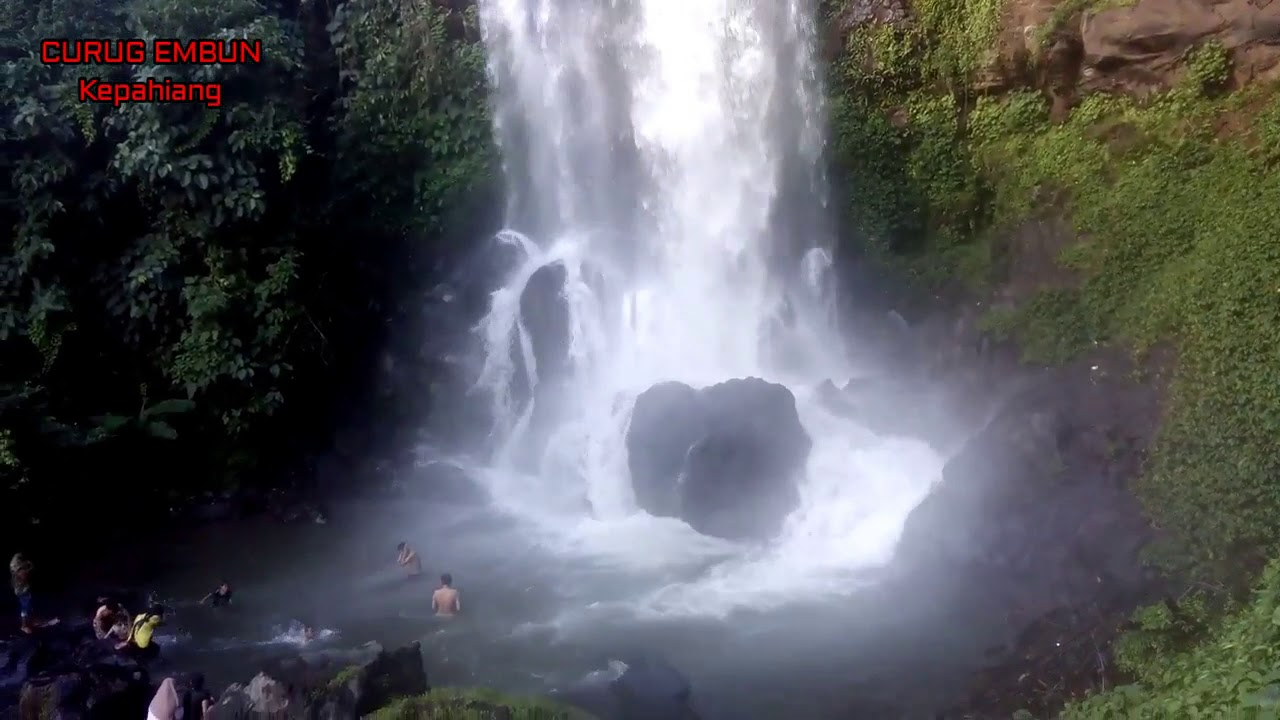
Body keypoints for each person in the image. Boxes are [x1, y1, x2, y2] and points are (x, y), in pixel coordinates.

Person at [9, 553, 33, 633]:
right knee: (24, 608)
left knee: (27, 607)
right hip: (21, 590)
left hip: (23, 589)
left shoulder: (19, 569)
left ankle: (27, 623)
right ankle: (24, 625)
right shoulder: (17, 571)